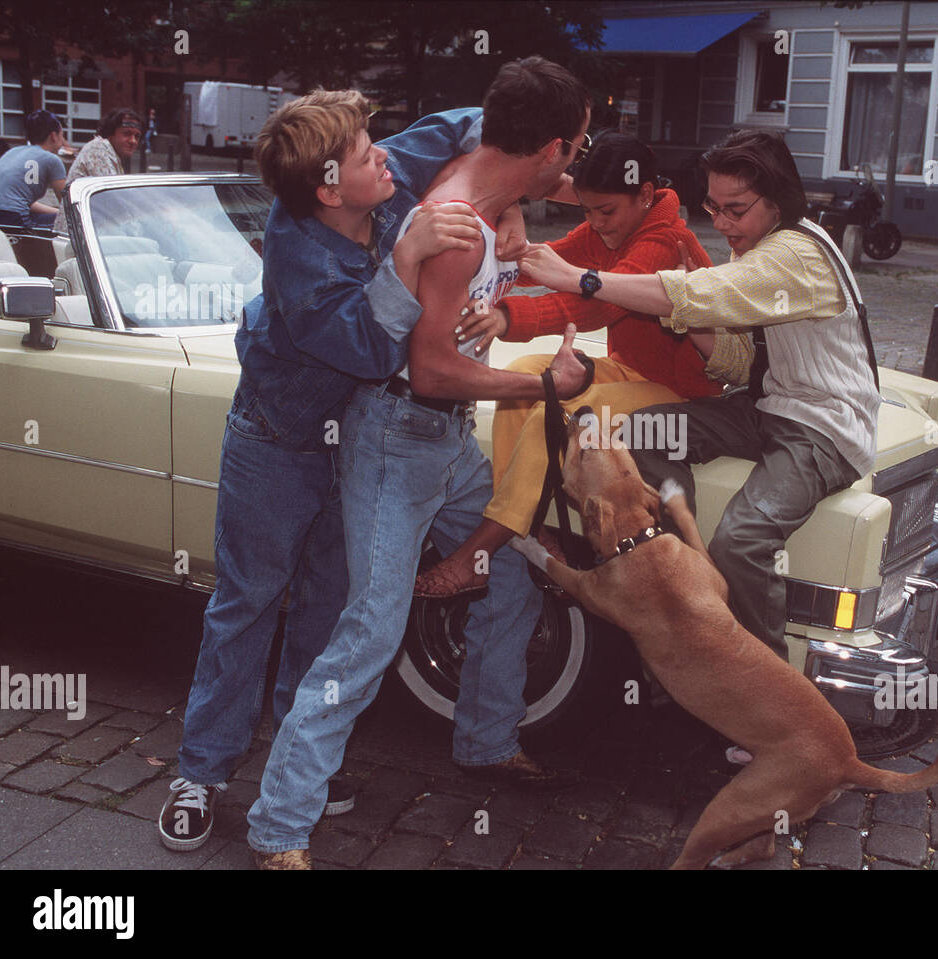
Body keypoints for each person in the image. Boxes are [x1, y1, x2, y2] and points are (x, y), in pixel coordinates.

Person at [245, 57, 593, 870]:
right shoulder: (456, 220)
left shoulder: (487, 179)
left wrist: (523, 218)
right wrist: (544, 383)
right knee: (369, 633)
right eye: (571, 151)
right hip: (399, 437)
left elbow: (502, 132)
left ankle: (484, 738)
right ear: (546, 149)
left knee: (513, 555)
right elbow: (431, 369)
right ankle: (278, 826)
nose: (573, 168)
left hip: (441, 439)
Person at [158, 89, 498, 854]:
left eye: (377, 141)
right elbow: (374, 350)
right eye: (365, 152)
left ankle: (295, 762)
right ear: (327, 188)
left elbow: (465, 124)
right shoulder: (299, 256)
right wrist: (407, 254)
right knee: (248, 604)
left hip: (358, 444)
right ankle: (202, 774)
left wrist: (512, 178)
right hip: (276, 443)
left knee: (326, 607)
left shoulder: (374, 174)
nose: (386, 154)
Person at [520, 129, 880, 656]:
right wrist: (692, 320)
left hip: (824, 429)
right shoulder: (761, 252)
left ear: (776, 198)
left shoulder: (794, 254)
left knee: (740, 542)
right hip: (768, 410)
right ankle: (674, 572)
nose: (722, 223)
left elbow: (694, 294)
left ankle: (760, 683)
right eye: (713, 207)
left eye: (736, 209)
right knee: (641, 433)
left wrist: (583, 279)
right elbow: (737, 364)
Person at [414, 130, 753, 595]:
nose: (596, 223)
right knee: (519, 377)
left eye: (606, 211)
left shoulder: (663, 240)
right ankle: (528, 522)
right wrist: (487, 274)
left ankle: (484, 547)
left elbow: (597, 304)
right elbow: (545, 264)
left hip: (681, 394)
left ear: (646, 195)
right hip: (630, 372)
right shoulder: (609, 226)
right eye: (588, 210)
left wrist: (507, 315)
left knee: (551, 408)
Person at [52, 108, 144, 232]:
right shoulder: (98, 148)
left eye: (137, 136)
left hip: (91, 231)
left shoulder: (112, 155)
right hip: (76, 237)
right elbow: (115, 201)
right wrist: (139, 232)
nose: (133, 141)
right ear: (111, 133)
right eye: (126, 133)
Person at [0, 110, 67, 228]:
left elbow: (19, 201)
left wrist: (56, 211)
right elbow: (66, 205)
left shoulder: (13, 152)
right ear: (53, 136)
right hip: (13, 218)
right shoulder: (52, 160)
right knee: (70, 222)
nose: (63, 141)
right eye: (62, 135)